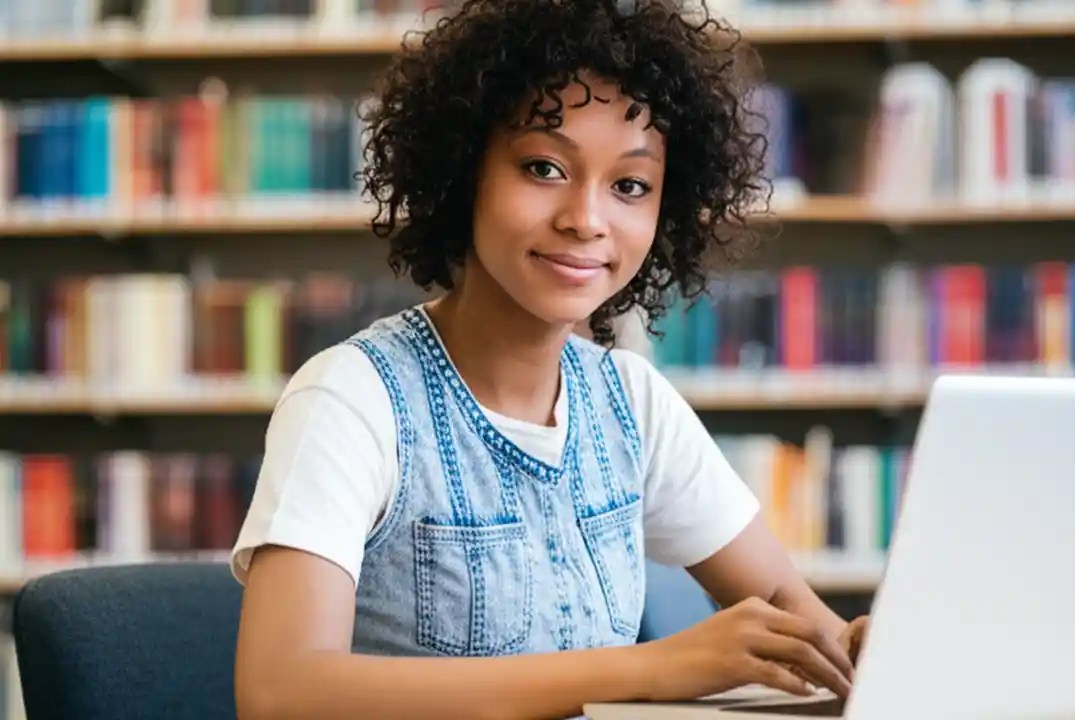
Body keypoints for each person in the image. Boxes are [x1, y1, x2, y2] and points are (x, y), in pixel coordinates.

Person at [231, 1, 868, 718]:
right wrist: (647, 670)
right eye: (543, 167)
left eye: (630, 185)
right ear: (462, 169)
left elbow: (796, 617)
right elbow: (281, 691)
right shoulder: (353, 398)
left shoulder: (629, 399)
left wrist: (862, 649)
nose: (586, 219)